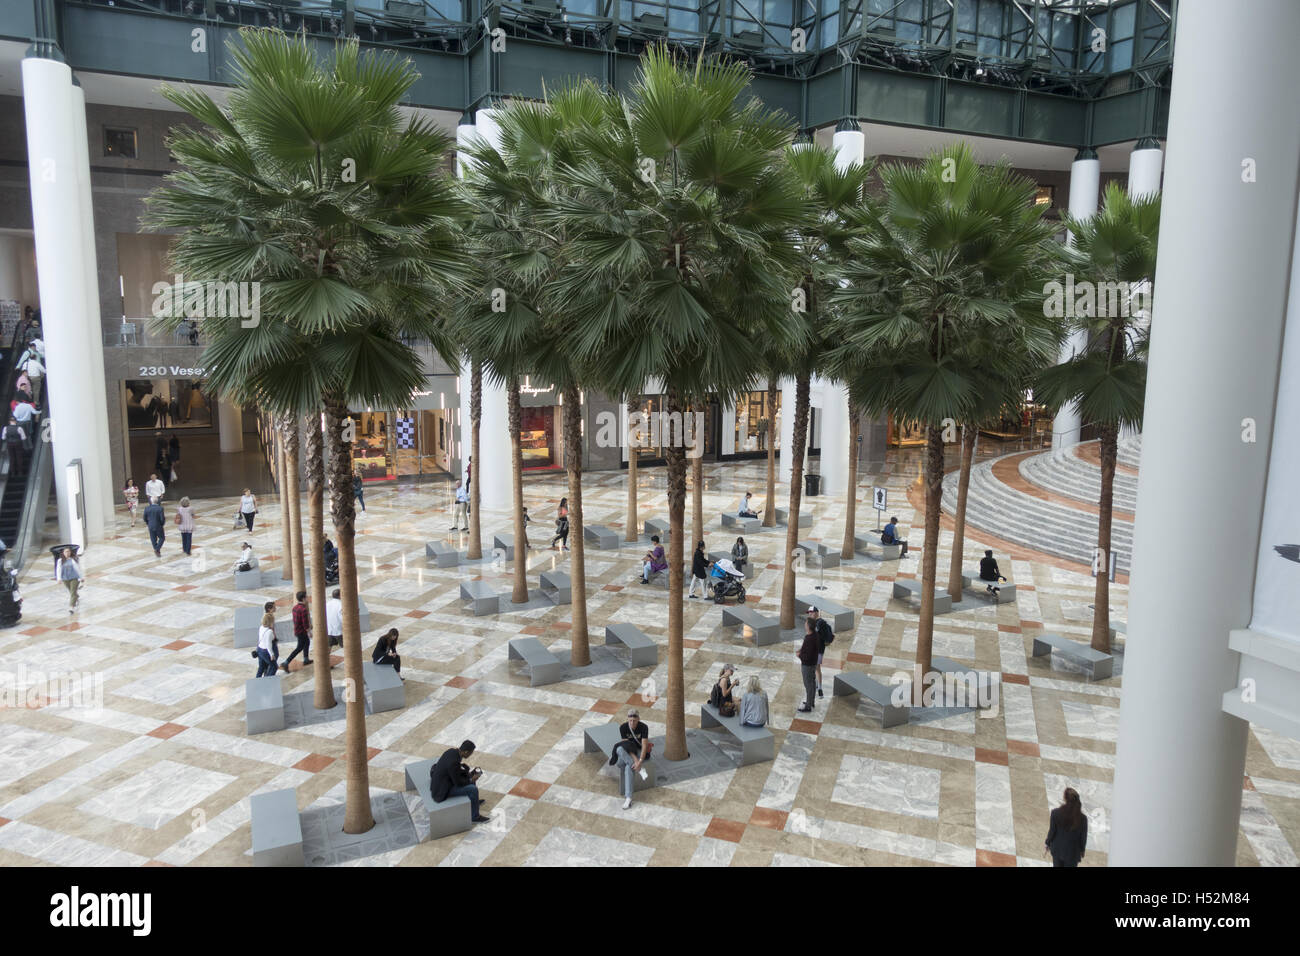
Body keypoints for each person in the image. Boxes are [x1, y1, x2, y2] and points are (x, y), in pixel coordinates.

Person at [429, 740, 490, 823]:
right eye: (470, 753)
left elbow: (454, 771)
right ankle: (474, 817)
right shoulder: (454, 762)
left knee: (469, 776)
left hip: (442, 782)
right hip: (442, 790)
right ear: (465, 752)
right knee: (472, 789)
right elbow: (458, 783)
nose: (470, 755)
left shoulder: (452, 751)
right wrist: (471, 779)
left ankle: (474, 802)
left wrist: (469, 775)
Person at [610, 709, 650, 810]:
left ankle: (628, 798)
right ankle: (640, 770)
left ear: (638, 719)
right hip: (628, 752)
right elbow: (626, 746)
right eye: (630, 720)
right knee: (619, 749)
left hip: (637, 751)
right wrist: (636, 762)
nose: (632, 722)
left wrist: (640, 760)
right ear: (627, 719)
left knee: (629, 767)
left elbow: (644, 745)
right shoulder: (623, 727)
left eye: (634, 720)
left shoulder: (644, 727)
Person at [1044, 787, 1088, 867]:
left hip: (1058, 849)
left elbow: (1052, 831)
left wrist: (1047, 843)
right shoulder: (1083, 819)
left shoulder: (1055, 813)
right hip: (1073, 853)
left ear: (1065, 798)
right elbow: (1083, 837)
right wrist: (1082, 850)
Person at [807, 605, 834, 698]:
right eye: (809, 613)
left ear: (816, 613)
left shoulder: (819, 623)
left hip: (817, 650)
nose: (810, 614)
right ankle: (818, 686)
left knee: (816, 669)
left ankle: (820, 689)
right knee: (816, 669)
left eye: (811, 612)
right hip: (819, 650)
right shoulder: (819, 622)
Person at [284, 590, 313, 671]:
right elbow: (305, 623)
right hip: (301, 631)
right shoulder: (303, 609)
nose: (307, 598)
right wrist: (309, 631)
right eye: (306, 597)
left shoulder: (295, 608)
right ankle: (286, 662)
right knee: (299, 648)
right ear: (303, 599)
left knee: (307, 642)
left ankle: (306, 659)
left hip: (297, 630)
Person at [795, 618, 820, 713]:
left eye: (805, 623)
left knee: (808, 685)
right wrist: (801, 651)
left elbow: (808, 656)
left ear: (809, 626)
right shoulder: (815, 635)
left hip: (808, 665)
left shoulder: (809, 639)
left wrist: (799, 655)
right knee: (812, 683)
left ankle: (808, 706)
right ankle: (811, 701)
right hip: (813, 663)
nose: (804, 625)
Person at [54, 546, 83, 614]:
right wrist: (59, 579)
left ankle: (71, 607)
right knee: (72, 591)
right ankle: (76, 597)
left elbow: (78, 569)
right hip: (65, 578)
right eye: (66, 552)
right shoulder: (60, 561)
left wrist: (81, 577)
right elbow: (58, 569)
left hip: (74, 578)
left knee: (73, 592)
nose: (67, 553)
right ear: (63, 553)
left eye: (69, 551)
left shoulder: (73, 559)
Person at [255, 602, 279, 678]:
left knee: (261, 667)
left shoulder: (261, 627)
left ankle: (257, 681)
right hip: (265, 651)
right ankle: (267, 680)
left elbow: (260, 639)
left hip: (259, 649)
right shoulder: (269, 632)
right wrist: (271, 654)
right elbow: (268, 644)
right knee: (274, 666)